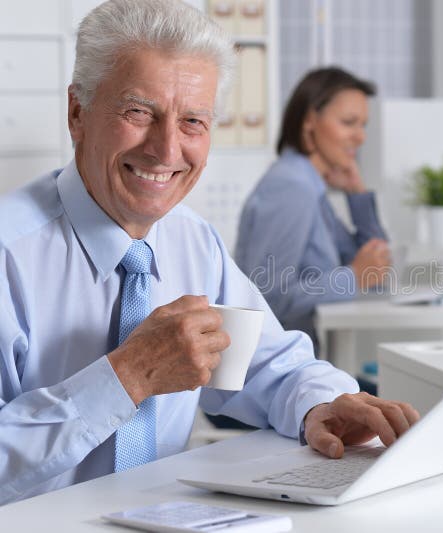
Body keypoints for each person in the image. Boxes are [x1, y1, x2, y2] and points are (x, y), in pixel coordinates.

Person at [0, 0, 417, 505]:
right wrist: (128, 376)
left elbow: (268, 366)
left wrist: (321, 405)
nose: (166, 150)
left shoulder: (193, 240)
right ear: (77, 113)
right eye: (139, 112)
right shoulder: (9, 254)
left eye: (193, 121)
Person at [235, 67, 390, 346]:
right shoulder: (291, 187)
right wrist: (352, 277)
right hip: (275, 365)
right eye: (349, 122)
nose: (361, 137)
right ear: (309, 121)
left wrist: (356, 194)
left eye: (363, 125)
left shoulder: (310, 186)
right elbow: (267, 298)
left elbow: (376, 267)